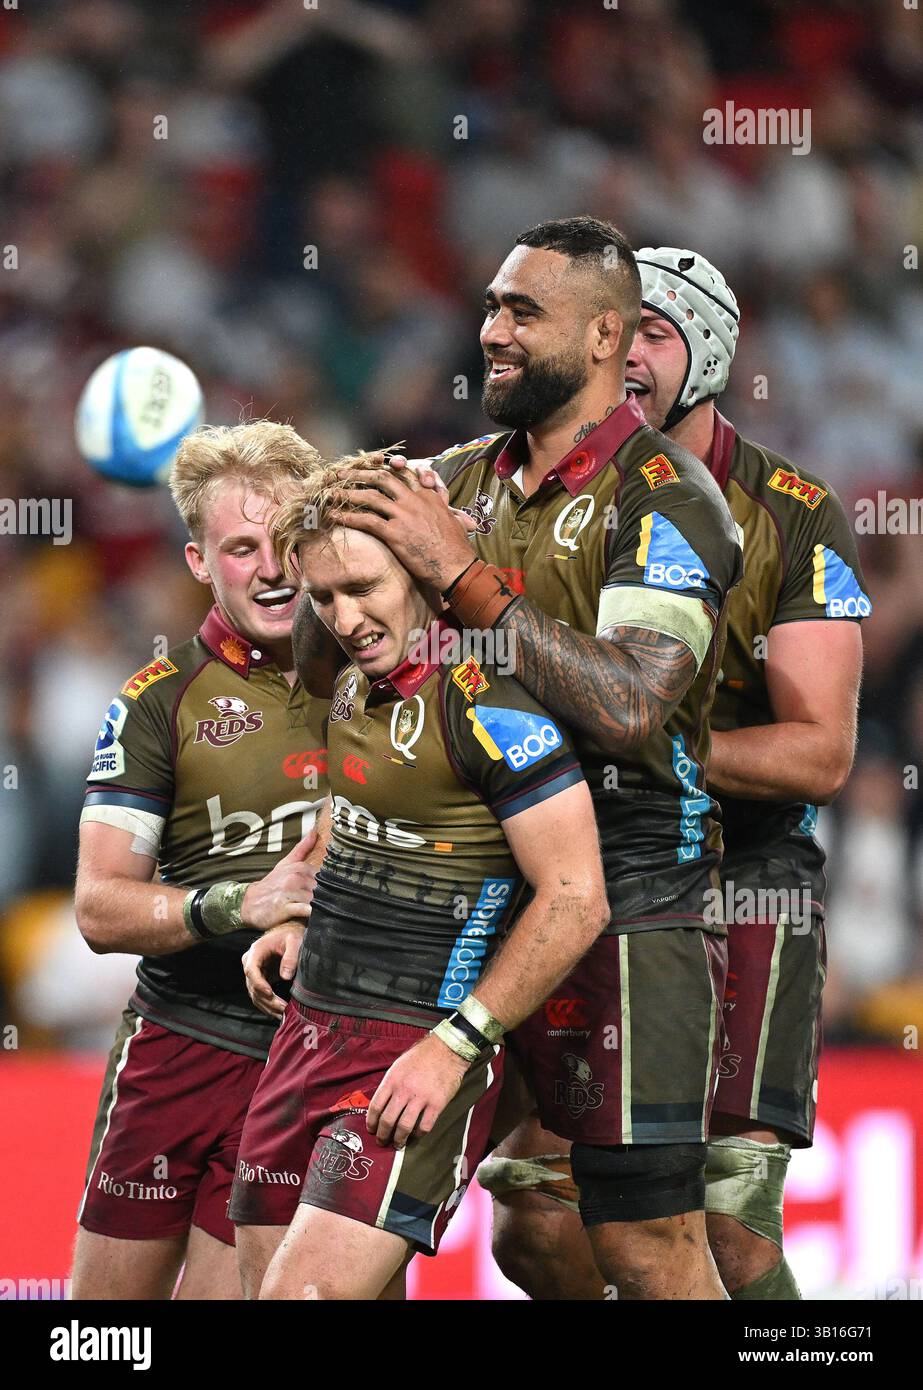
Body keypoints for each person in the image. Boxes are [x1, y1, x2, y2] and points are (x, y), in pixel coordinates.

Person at [285, 216, 744, 1299]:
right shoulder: (447, 480)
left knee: (637, 1246)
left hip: (628, 902)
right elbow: (315, 663)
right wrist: (339, 540)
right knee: (429, 1236)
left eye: (520, 311)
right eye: (490, 305)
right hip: (452, 909)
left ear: (602, 339)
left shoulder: (666, 500)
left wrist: (455, 570)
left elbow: (629, 706)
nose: (489, 329)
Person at [478, 247, 870, 1302]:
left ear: (705, 354)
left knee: (728, 1239)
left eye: (654, 333)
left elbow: (820, 751)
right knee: (534, 1224)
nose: (629, 357)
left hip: (741, 875)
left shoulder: (792, 510)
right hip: (566, 869)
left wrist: (633, 734)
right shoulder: (525, 479)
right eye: (618, 332)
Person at [227, 462, 609, 1301]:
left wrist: (456, 1047)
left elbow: (577, 896)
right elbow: (354, 815)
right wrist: (298, 919)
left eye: (363, 587)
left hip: (411, 1051)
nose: (345, 618)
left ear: (422, 570)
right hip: (305, 1032)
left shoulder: (493, 708)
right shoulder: (354, 680)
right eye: (323, 597)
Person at [71, 421, 330, 1299]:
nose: (272, 569)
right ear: (197, 562)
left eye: (289, 541)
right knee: (102, 1341)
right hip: (177, 1046)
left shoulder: (381, 686)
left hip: (305, 1063)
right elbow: (100, 909)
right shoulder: (156, 704)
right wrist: (235, 906)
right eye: (241, 547)